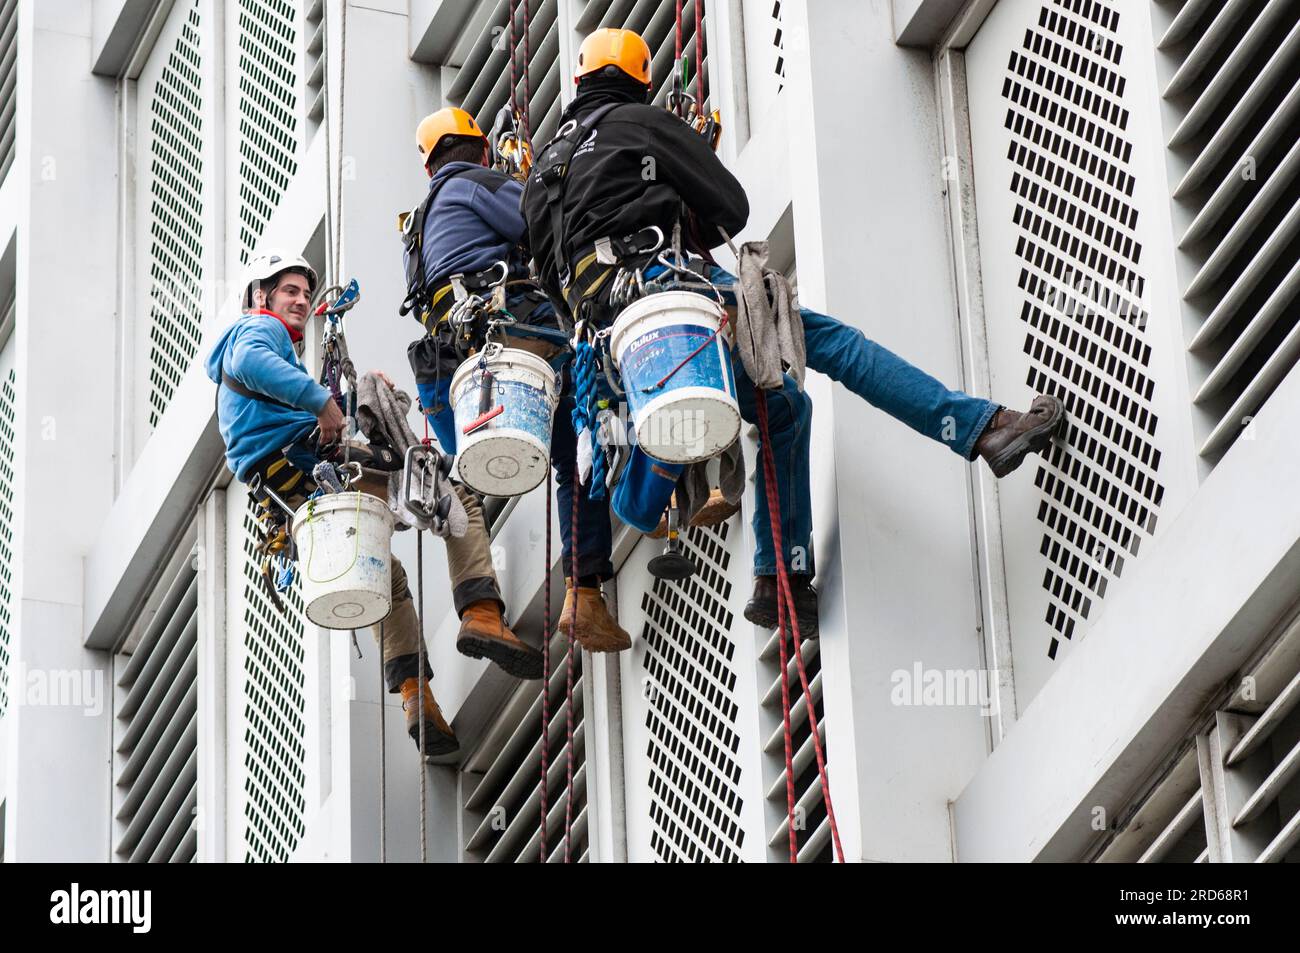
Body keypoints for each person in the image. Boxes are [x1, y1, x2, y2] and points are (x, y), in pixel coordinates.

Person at [521, 28, 1066, 636]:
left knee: (783, 408)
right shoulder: (640, 123)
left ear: (578, 84)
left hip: (611, 340)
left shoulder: (541, 175)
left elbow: (549, 280)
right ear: (638, 80)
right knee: (830, 343)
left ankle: (779, 579)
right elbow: (731, 205)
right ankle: (985, 429)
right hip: (669, 298)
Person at [205, 249, 463, 759]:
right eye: (289, 291)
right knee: (445, 490)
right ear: (262, 295)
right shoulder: (258, 332)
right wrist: (325, 403)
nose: (301, 300)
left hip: (290, 484)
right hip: (299, 465)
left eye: (305, 292)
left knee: (382, 573)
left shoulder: (274, 356)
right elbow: (250, 363)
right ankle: (481, 609)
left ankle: (415, 698)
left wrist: (336, 404)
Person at [402, 106, 631, 653]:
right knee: (586, 435)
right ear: (480, 151)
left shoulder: (417, 227)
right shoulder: (476, 183)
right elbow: (538, 223)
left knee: (561, 452)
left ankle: (573, 596)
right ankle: (585, 589)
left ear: (429, 166)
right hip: (516, 332)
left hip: (462, 367)